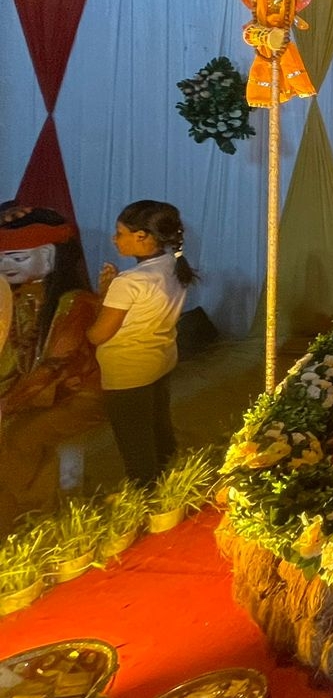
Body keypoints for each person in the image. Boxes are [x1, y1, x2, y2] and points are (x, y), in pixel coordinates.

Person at [0, 205, 101, 526]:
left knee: (21, 437)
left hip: (72, 395)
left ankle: (30, 515)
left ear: (48, 255)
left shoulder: (75, 303)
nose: (7, 266)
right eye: (2, 258)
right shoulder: (12, 297)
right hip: (24, 392)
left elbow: (58, 365)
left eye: (18, 258)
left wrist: (9, 403)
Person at [87, 200, 194, 485]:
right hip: (159, 362)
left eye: (120, 233)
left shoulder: (130, 282)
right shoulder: (173, 265)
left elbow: (98, 335)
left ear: (142, 236)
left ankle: (147, 501)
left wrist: (105, 296)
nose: (114, 239)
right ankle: (173, 490)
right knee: (160, 430)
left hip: (128, 373)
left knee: (136, 445)